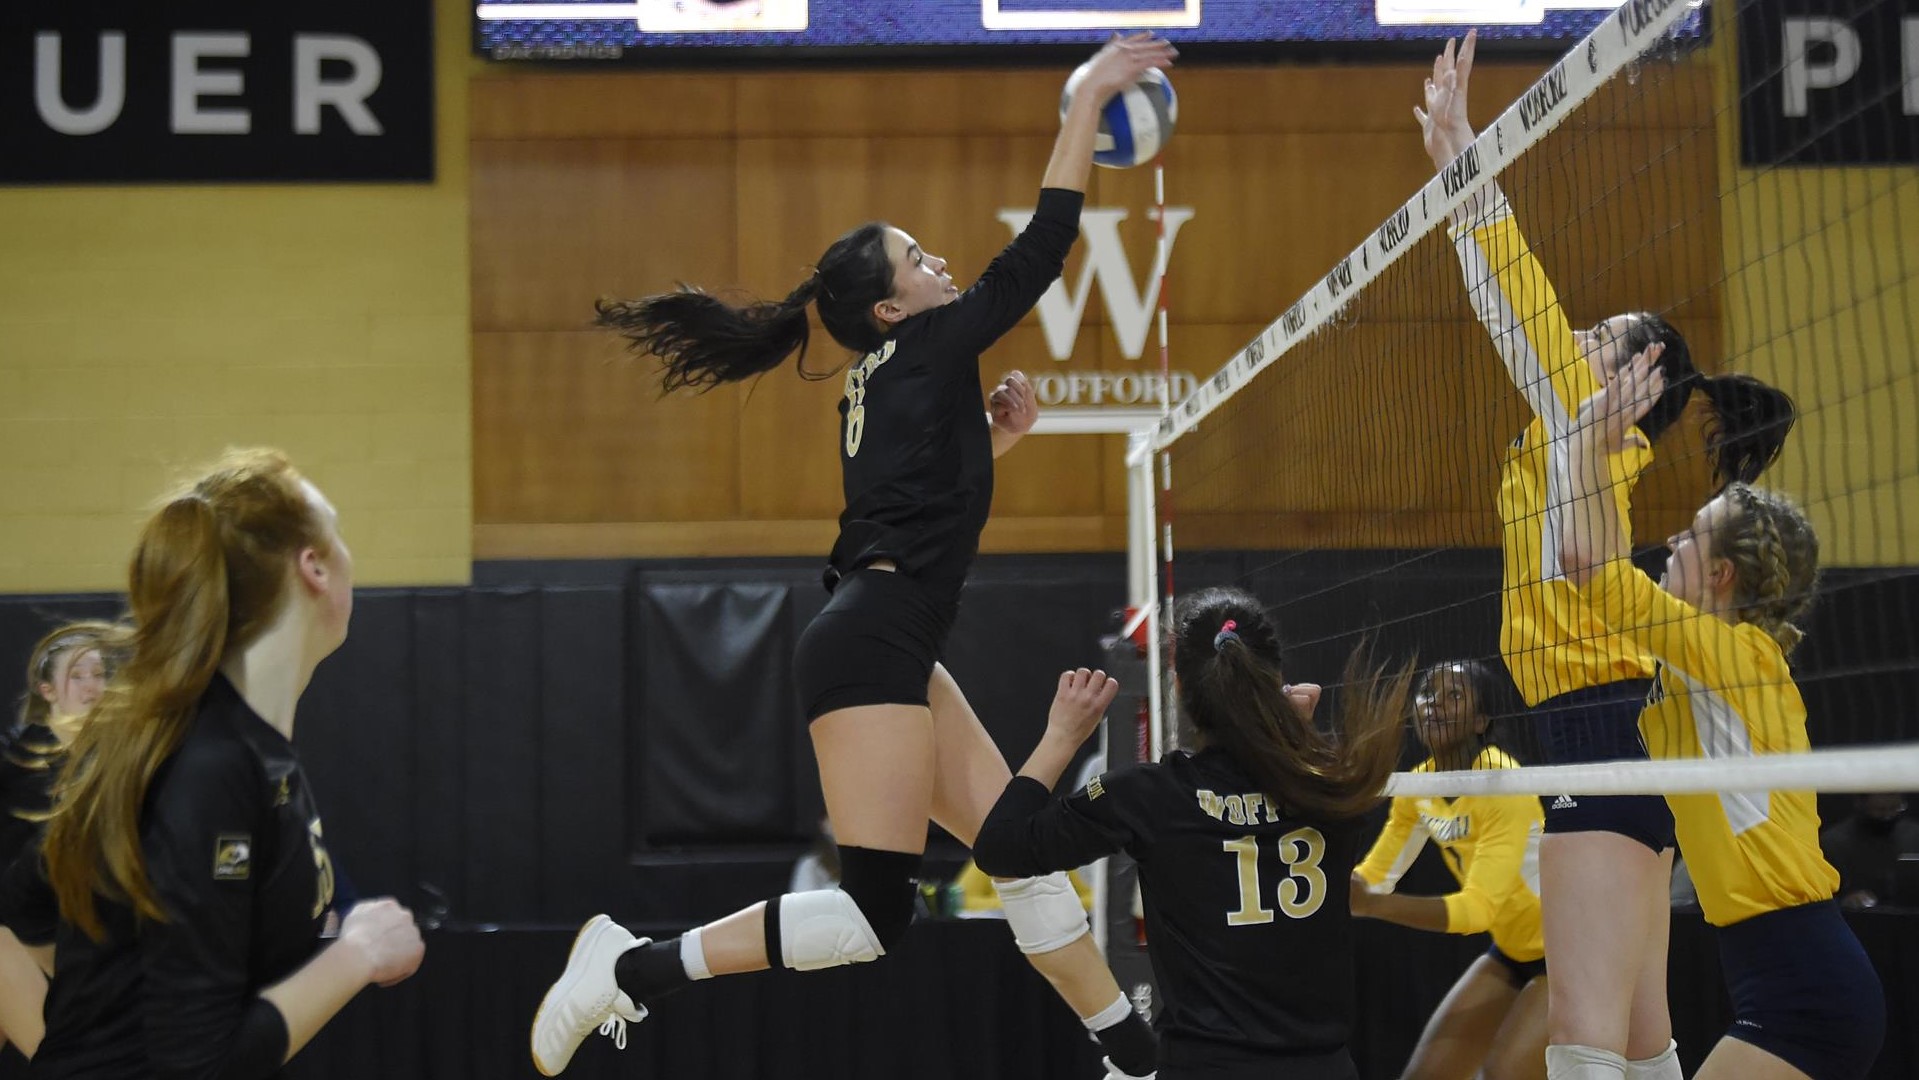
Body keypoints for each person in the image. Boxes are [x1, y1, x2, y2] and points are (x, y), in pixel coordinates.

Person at [529, 32, 1179, 1080]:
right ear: (890, 309)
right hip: (872, 645)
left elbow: (908, 508)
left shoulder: (883, 383)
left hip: (882, 639)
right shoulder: (922, 350)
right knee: (875, 914)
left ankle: (1135, 1063)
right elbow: (1043, 247)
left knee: (1021, 857)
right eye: (919, 261)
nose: (941, 265)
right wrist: (1087, 100)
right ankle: (631, 966)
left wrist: (993, 440)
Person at [1417, 31, 1797, 1080]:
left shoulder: (1582, 424)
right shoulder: (1573, 434)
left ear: (1634, 375)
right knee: (1638, 1037)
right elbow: (1510, 310)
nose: (1572, 337)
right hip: (1598, 726)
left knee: (1584, 1036)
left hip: (1595, 726)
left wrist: (1459, 153)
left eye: (1595, 337)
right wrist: (1454, 164)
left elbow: (1510, 289)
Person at [18, 448, 425, 1078]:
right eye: (338, 531)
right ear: (313, 567)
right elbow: (201, 1066)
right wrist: (358, 954)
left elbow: (27, 904)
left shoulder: (246, 745)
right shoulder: (208, 764)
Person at [1559, 353, 1884, 1080]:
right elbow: (1594, 574)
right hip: (1779, 975)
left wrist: (1583, 440)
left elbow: (1587, 563)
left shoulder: (1735, 657)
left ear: (1719, 576)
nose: (1670, 541)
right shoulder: (1696, 667)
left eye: (1689, 534)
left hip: (1805, 987)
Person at [971, 587, 1415, 1080]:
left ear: (1178, 685)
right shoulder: (1336, 783)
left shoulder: (1148, 796)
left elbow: (1001, 849)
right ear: (1275, 679)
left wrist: (1062, 736)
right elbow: (1281, 790)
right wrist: (1298, 740)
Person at [1350, 660, 1547, 1080]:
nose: (1434, 704)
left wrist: (1373, 906)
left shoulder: (1502, 782)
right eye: (1427, 693)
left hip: (1566, 950)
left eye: (1453, 695)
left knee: (1506, 1073)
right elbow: (1374, 877)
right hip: (1513, 950)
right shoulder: (1419, 786)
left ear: (1481, 720)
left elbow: (1478, 912)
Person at [0, 621, 115, 1059]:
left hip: (82, 948)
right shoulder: (15, 756)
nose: (92, 686)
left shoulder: (114, 759)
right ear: (47, 690)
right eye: (78, 675)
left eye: (99, 673)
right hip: (22, 939)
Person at [1819, 794, 1919, 910]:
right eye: (1880, 810)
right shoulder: (1833, 843)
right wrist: (1843, 900)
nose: (1888, 816)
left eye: (1895, 808)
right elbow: (1823, 895)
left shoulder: (1914, 835)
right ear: (1861, 805)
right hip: (1857, 917)